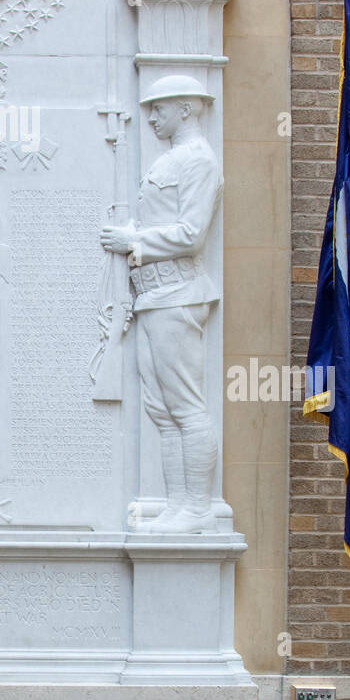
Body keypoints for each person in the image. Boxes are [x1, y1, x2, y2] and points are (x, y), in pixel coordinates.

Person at [100, 74, 222, 533]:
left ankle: (197, 507)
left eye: (160, 108)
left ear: (186, 109)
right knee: (161, 410)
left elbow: (192, 233)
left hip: (178, 293)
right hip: (152, 296)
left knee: (186, 405)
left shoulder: (198, 161)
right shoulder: (172, 159)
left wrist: (136, 240)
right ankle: (178, 504)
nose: (152, 116)